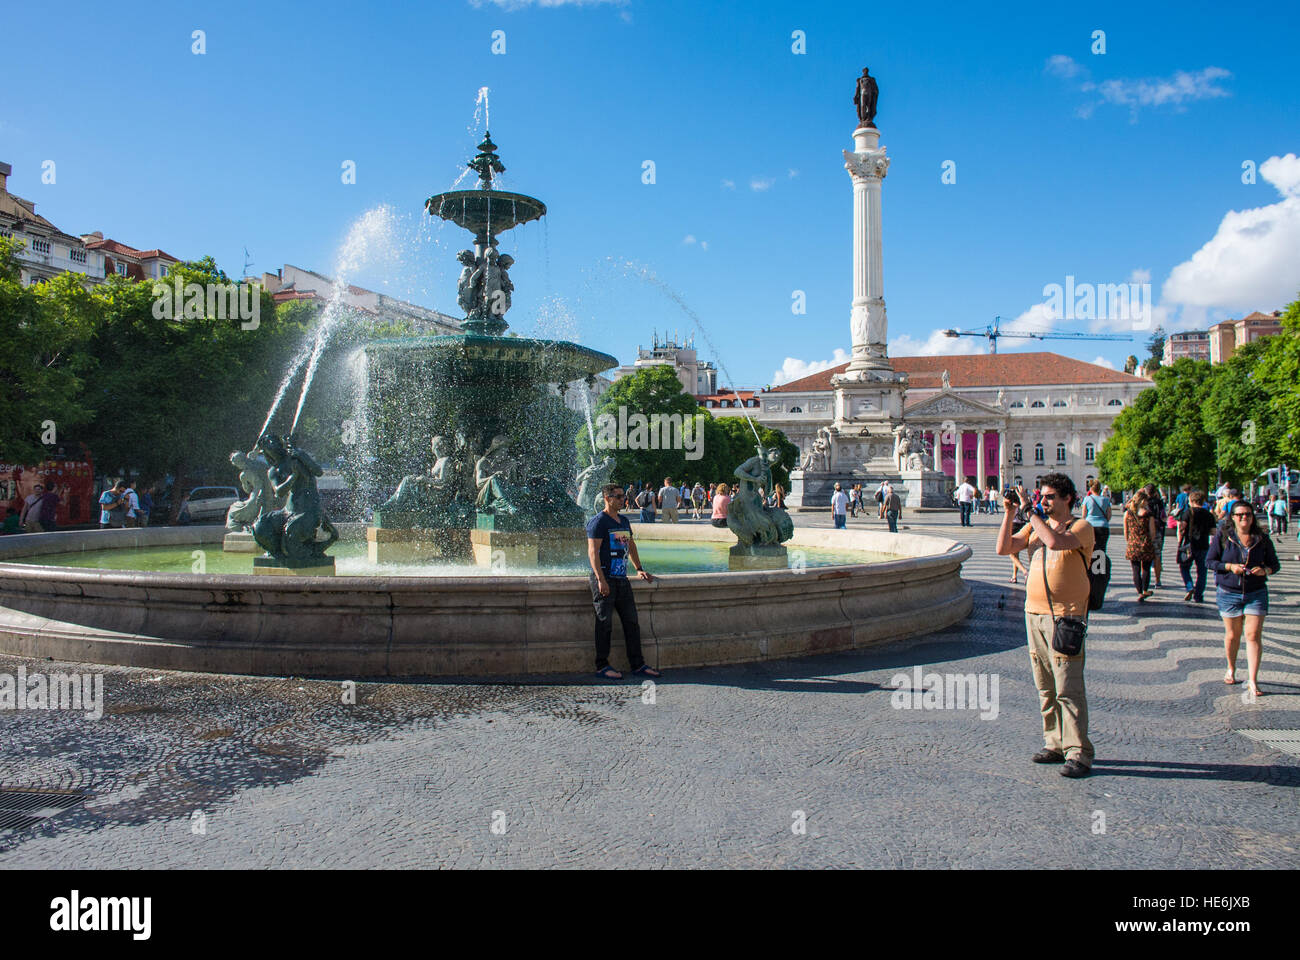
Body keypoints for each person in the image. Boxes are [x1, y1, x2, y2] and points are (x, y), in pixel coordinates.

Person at [995, 472, 1095, 779]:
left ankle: (1078, 752)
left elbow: (1054, 542)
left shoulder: (1080, 527)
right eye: (1042, 495)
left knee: (1068, 685)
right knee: (1045, 685)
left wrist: (1031, 513)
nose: (1044, 500)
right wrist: (1011, 512)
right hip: (1033, 614)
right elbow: (1004, 548)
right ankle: (1054, 742)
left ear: (1068, 498)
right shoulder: (1035, 525)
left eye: (1050, 496)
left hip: (1065, 617)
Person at [586, 484, 660, 681]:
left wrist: (639, 568)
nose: (623, 500)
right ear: (607, 498)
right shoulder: (598, 522)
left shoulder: (624, 521)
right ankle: (602, 665)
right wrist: (601, 580)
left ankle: (638, 664)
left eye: (622, 496)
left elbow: (631, 545)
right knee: (604, 623)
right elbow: (593, 553)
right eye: (618, 497)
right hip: (604, 578)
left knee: (631, 622)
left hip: (621, 578)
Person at [1207, 501, 1279, 697]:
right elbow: (1210, 561)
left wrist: (1265, 570)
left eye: (1247, 514)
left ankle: (1253, 680)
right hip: (1229, 591)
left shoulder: (1261, 538)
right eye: (1239, 515)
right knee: (1232, 635)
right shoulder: (1223, 537)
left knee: (1253, 635)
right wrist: (1230, 567)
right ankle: (1231, 667)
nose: (1244, 518)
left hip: (1256, 592)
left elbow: (1274, 564)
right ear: (1233, 517)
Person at [1176, 490, 1214, 603]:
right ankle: (1198, 595)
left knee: (1184, 567)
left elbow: (1182, 528)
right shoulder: (1209, 514)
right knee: (1202, 572)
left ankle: (1189, 586)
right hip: (1203, 545)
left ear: (1191, 501)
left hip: (1189, 544)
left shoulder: (1188, 512)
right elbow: (1213, 532)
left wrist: (1180, 539)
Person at [1123, 491, 1158, 601]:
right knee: (1146, 568)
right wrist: (1150, 541)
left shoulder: (1127, 514)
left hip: (1133, 544)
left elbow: (1126, 531)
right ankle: (1144, 589)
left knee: (1135, 569)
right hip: (1146, 543)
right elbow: (1153, 532)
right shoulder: (1148, 514)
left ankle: (1139, 590)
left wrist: (1129, 541)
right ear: (1143, 501)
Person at [1142, 483, 1167, 588]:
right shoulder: (1160, 503)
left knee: (1144, 556)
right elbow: (1164, 517)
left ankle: (1144, 580)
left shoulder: (1144, 503)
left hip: (1145, 531)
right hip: (1158, 531)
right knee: (1157, 556)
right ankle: (1158, 580)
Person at [1081, 480, 1112, 554]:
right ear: (1099, 489)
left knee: (1090, 549)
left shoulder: (1087, 499)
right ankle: (1101, 564)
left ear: (1091, 489)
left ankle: (1091, 564)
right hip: (1103, 526)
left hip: (1090, 526)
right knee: (1102, 549)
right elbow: (1109, 516)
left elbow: (1084, 515)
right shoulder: (1106, 500)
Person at [1008, 481, 1029, 583]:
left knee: (1011, 553)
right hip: (1022, 526)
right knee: (1016, 554)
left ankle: (1025, 572)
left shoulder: (1012, 505)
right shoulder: (1023, 503)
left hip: (1013, 526)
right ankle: (1014, 576)